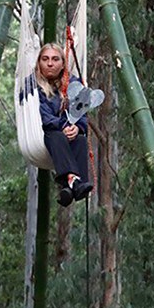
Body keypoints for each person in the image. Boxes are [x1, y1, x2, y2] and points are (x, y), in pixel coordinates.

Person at [34, 42, 93, 206]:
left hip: (67, 135)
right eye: (45, 59)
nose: (50, 63)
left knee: (80, 139)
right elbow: (45, 117)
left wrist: (77, 127)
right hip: (46, 135)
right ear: (39, 62)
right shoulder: (33, 86)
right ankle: (75, 181)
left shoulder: (73, 84)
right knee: (57, 136)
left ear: (63, 64)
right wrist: (64, 126)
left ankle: (69, 186)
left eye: (55, 59)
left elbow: (81, 112)